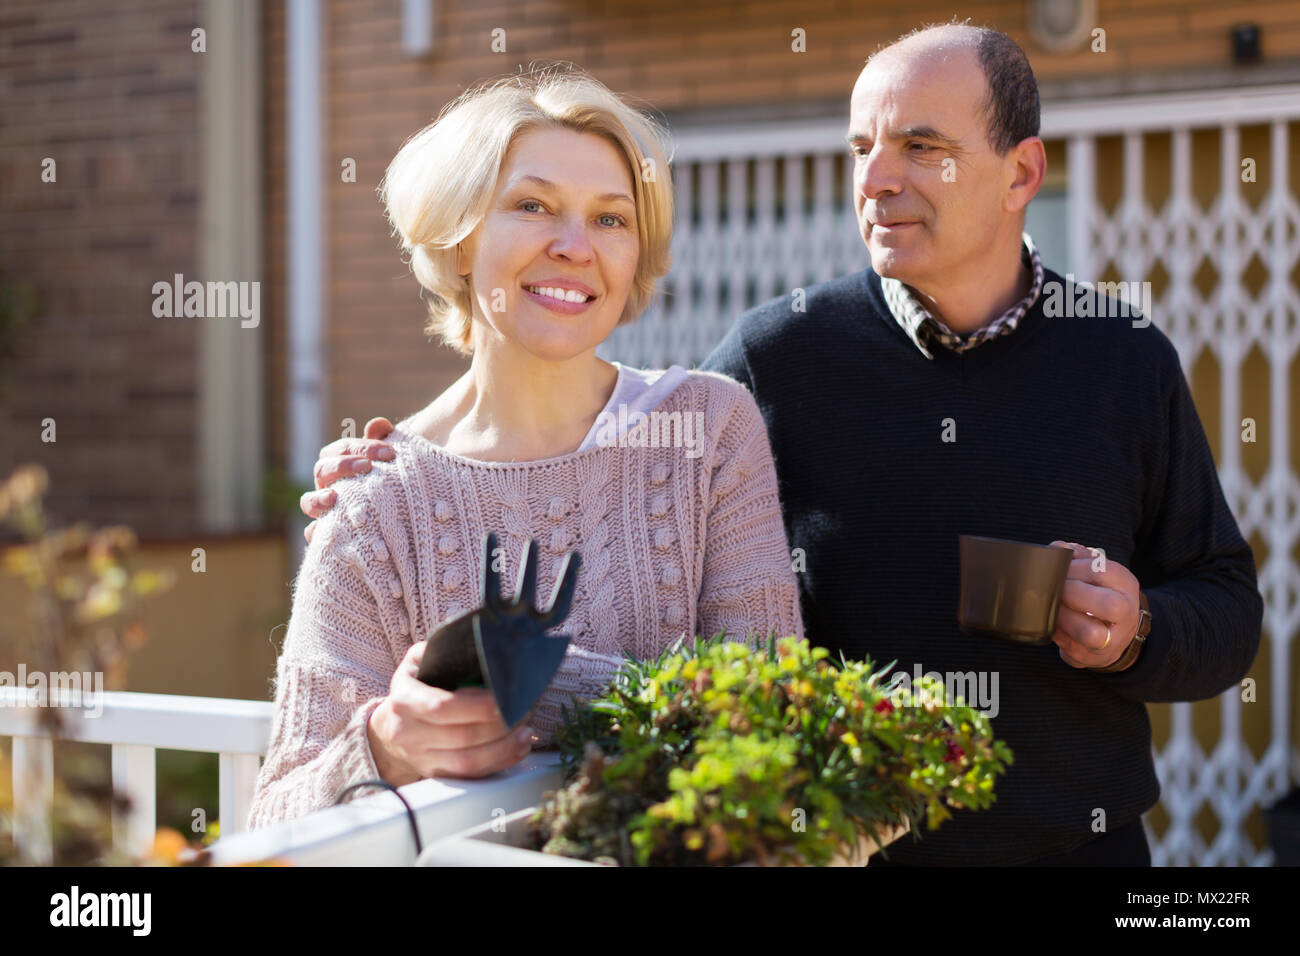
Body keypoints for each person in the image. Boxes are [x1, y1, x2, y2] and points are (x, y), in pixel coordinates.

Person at [306, 25, 1263, 866]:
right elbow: (599, 433)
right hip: (839, 853)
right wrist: (396, 476)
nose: (877, 178)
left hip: (1081, 854)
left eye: (921, 147)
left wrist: (1136, 630)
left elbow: (1225, 606)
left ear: (1021, 174)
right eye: (863, 148)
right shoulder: (780, 355)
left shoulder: (1123, 358)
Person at [248, 66, 803, 830]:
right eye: (533, 205)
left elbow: (772, 721)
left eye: (611, 219)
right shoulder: (376, 500)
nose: (575, 246)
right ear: (460, 238)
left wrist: (529, 682)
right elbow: (275, 820)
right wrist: (384, 746)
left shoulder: (708, 431)